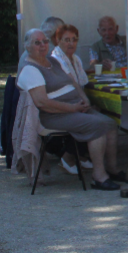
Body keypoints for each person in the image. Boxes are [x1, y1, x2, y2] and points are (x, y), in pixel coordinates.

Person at [17, 29, 122, 190]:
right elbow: (42, 102)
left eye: (45, 41)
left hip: (74, 108)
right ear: (27, 46)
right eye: (37, 42)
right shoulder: (30, 69)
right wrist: (72, 108)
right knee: (98, 125)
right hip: (53, 115)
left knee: (110, 123)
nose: (42, 45)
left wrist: (85, 98)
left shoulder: (54, 61)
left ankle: (113, 168)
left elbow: (73, 82)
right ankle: (99, 176)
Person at [49, 23, 94, 175]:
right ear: (58, 40)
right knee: (91, 118)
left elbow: (81, 82)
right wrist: (85, 101)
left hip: (73, 101)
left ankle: (79, 154)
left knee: (99, 112)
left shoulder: (75, 59)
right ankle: (67, 156)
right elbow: (71, 83)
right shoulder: (56, 59)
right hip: (59, 105)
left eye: (74, 40)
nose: (71, 43)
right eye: (66, 39)